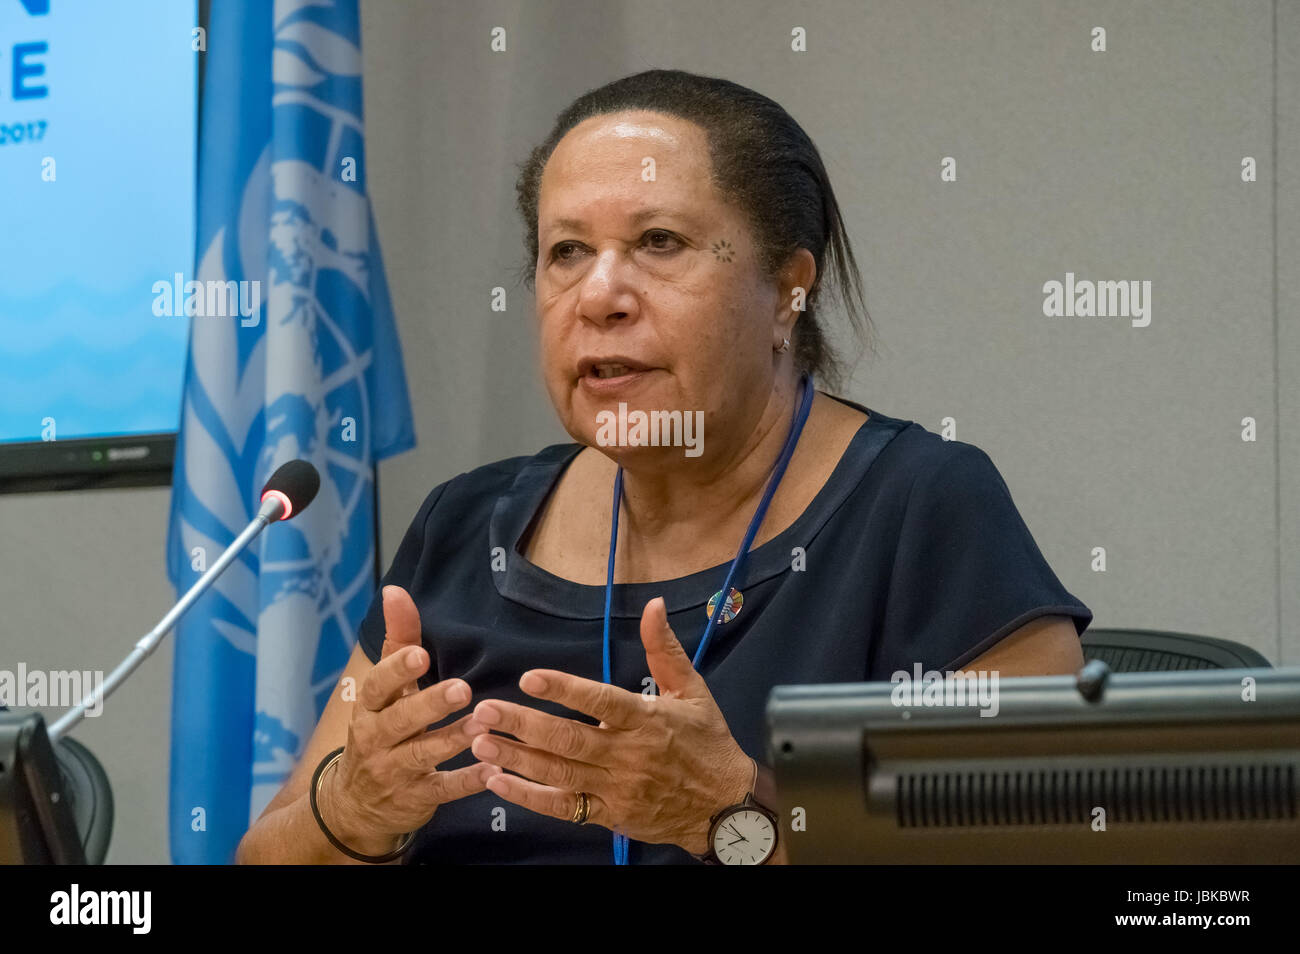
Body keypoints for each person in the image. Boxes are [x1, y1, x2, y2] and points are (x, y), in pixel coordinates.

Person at [235, 68, 1091, 866]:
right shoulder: (465, 525)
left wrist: (725, 817)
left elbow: (1045, 853)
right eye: (566, 251)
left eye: (658, 240)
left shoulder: (922, 508)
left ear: (788, 293)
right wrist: (351, 811)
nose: (599, 295)